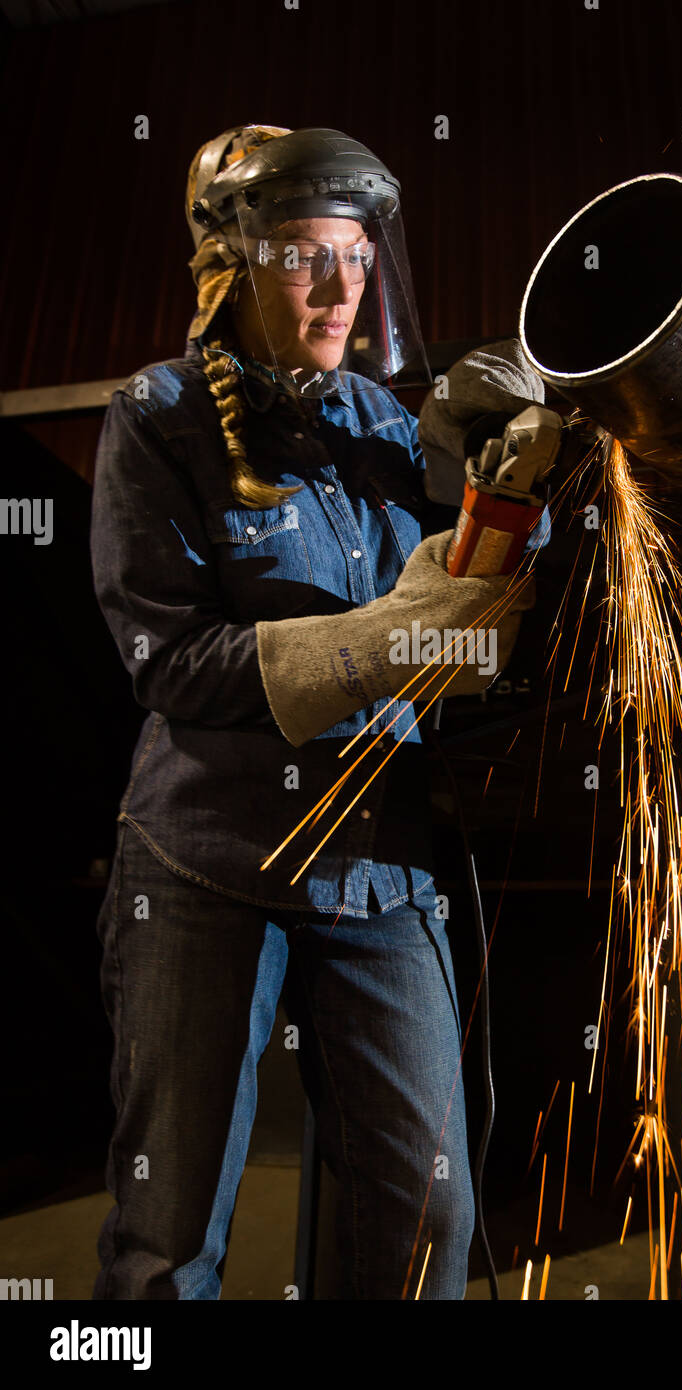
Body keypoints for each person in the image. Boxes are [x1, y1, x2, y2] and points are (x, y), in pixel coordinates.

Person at [89, 124, 543, 1300]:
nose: (342, 288)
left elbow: (445, 633)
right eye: (303, 255)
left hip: (375, 868)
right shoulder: (158, 416)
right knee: (170, 1233)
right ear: (233, 263)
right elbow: (170, 662)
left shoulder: (386, 429)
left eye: (355, 256)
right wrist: (374, 641)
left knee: (430, 1209)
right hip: (206, 863)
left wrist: (508, 500)